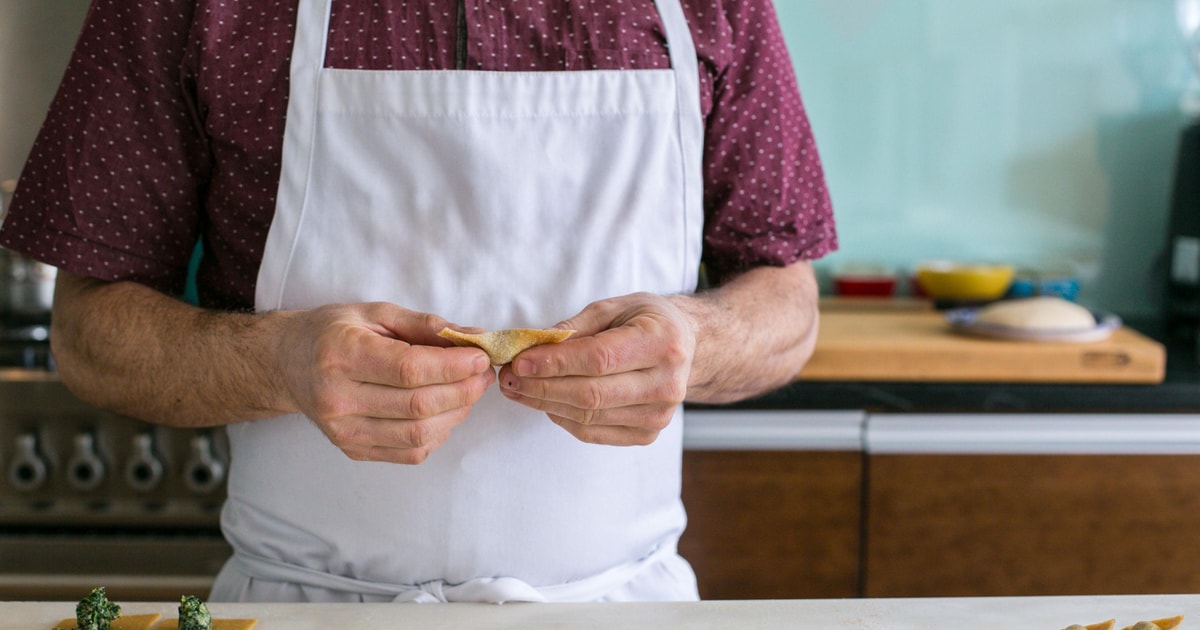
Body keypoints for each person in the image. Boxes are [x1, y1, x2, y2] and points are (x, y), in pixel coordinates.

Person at [0, 0, 836, 603]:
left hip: (622, 604)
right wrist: (281, 363)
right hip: (302, 608)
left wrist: (698, 340)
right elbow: (88, 332)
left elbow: (787, 299)